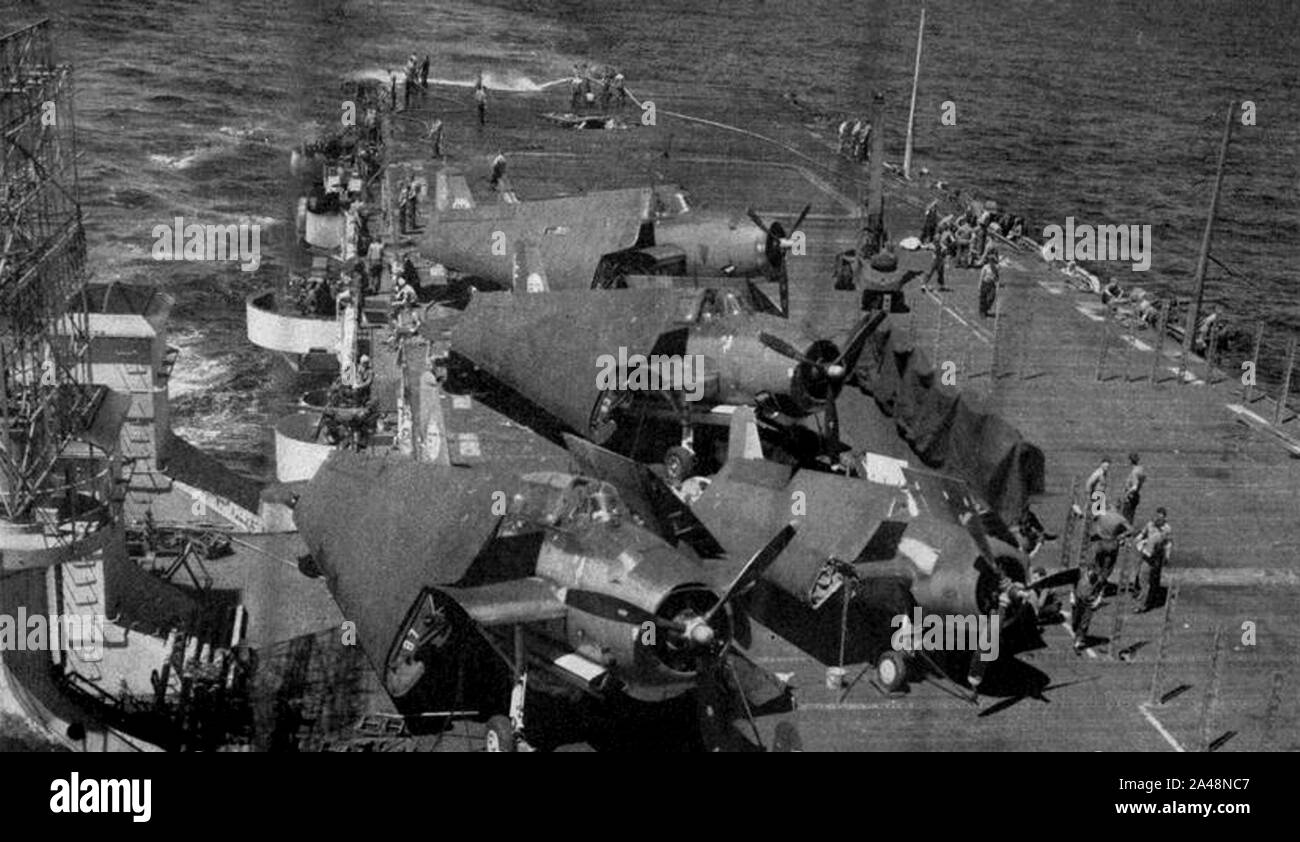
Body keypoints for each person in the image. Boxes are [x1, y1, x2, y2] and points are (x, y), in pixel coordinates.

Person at [1131, 508, 1172, 613]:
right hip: (1146, 556)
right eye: (1156, 517)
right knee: (1143, 578)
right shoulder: (1150, 524)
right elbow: (1143, 533)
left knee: (1150, 579)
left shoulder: (1166, 529)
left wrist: (1167, 556)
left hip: (1154, 557)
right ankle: (1144, 598)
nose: (1157, 519)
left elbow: (1168, 543)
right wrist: (1137, 540)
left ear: (1164, 518)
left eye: (1160, 518)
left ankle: (1144, 603)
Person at [921, 222, 953, 292]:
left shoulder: (940, 244)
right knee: (929, 272)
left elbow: (945, 250)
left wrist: (943, 252)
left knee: (940, 274)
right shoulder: (933, 244)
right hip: (935, 261)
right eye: (936, 238)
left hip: (940, 261)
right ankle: (923, 285)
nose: (937, 239)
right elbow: (926, 246)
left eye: (938, 238)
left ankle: (941, 285)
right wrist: (923, 246)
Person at [1120, 451, 1146, 523]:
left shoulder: (1134, 472)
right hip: (1136, 496)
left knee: (1125, 519)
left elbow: (1134, 487)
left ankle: (1127, 533)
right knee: (1130, 517)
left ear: (1130, 461)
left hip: (1130, 498)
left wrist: (1126, 494)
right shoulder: (1141, 469)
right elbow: (1143, 479)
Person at [977, 249, 999, 318]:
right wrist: (979, 285)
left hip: (992, 284)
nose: (992, 262)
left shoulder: (996, 268)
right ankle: (982, 312)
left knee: (991, 297)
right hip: (985, 283)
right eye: (991, 261)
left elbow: (997, 277)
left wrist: (996, 282)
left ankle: (986, 309)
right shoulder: (985, 267)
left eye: (993, 261)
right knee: (983, 299)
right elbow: (981, 277)